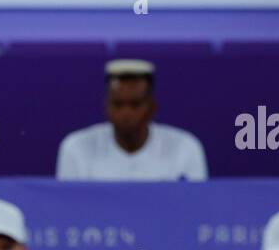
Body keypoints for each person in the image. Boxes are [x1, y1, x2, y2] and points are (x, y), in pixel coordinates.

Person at [57, 59, 207, 181]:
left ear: (152, 107)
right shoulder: (76, 147)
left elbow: (196, 211)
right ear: (106, 107)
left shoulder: (185, 147)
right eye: (118, 104)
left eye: (135, 104)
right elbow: (68, 212)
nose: (126, 113)